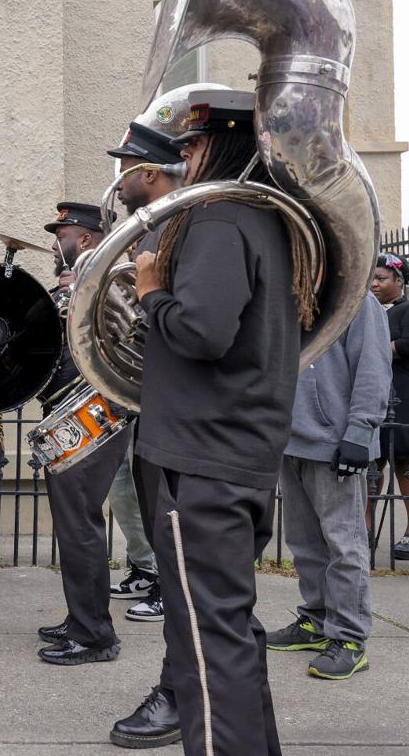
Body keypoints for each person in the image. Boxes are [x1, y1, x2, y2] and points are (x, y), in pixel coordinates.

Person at [111, 89, 303, 754]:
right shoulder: (258, 219)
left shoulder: (219, 218)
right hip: (227, 450)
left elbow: (202, 331)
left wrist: (149, 289)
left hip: (203, 457)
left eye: (190, 147)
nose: (181, 159)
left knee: (205, 647)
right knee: (227, 634)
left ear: (218, 145)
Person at [266, 292, 390, 680]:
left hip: (336, 442)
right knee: (304, 543)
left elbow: (373, 364)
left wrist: (361, 430)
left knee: (343, 543)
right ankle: (317, 621)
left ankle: (350, 638)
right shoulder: (286, 296)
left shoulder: (357, 298)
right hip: (291, 438)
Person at [34, 202, 127, 664]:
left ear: (86, 238)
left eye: (62, 233)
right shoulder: (75, 285)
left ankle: (95, 636)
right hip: (68, 412)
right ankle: (81, 618)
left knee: (80, 525)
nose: (55, 242)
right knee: (72, 526)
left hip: (93, 413)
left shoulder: (102, 279)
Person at [104, 122, 186, 624]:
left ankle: (168, 586)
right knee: (148, 492)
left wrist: (146, 296)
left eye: (126, 169)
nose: (119, 180)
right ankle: (159, 579)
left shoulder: (172, 226)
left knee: (166, 502)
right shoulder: (151, 225)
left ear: (152, 172)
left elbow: (172, 311)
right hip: (151, 387)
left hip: (171, 391)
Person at [367, 253, 409, 561]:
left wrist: (371, 349)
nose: (375, 283)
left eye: (381, 278)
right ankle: (364, 530)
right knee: (370, 463)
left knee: (406, 463)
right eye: (373, 278)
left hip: (403, 394)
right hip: (369, 392)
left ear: (399, 281)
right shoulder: (364, 309)